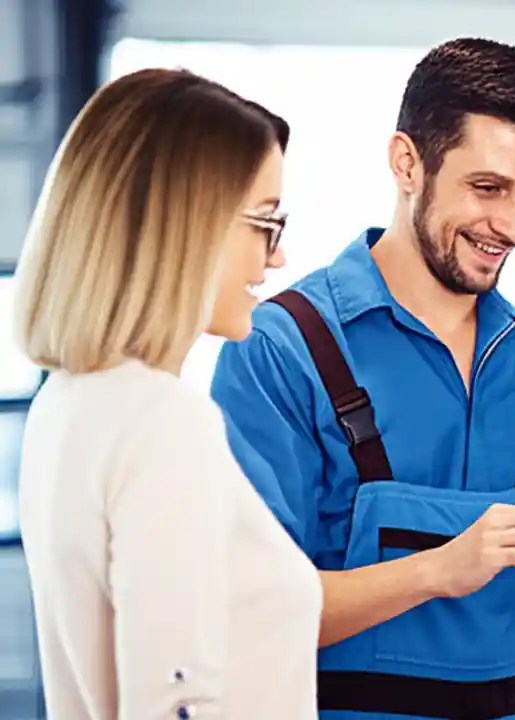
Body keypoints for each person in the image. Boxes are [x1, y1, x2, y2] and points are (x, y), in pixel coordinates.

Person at [211, 37, 515, 719]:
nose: (514, 225)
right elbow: (249, 611)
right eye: (487, 188)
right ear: (406, 162)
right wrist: (439, 569)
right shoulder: (283, 349)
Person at [14, 68, 321, 719]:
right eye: (266, 222)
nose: (278, 257)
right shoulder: (162, 421)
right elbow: (175, 706)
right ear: (188, 222)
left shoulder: (67, 403)